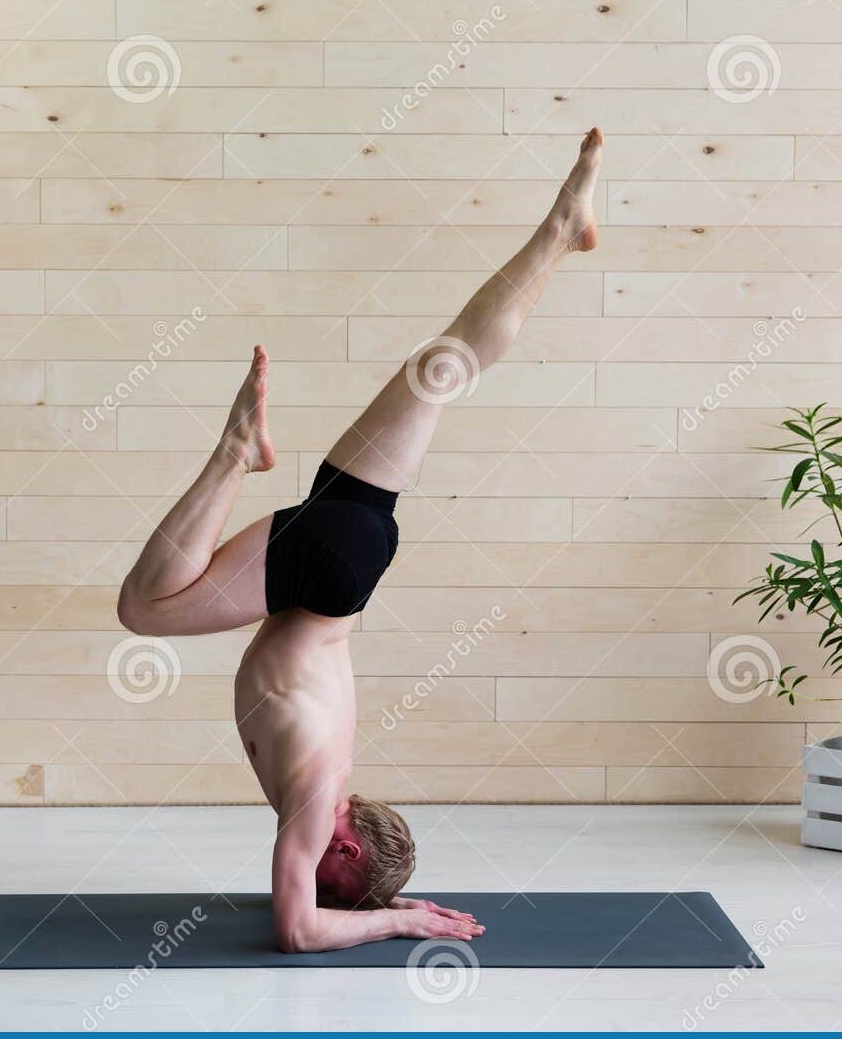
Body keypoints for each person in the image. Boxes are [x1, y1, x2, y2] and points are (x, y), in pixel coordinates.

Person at [117, 128, 604, 952]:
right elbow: (297, 931)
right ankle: (236, 453)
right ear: (345, 845)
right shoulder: (315, 799)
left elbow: (311, 902)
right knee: (141, 611)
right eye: (333, 880)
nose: (312, 879)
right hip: (326, 568)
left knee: (442, 368)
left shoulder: (332, 775)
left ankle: (562, 228)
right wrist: (400, 917)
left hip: (356, 552)